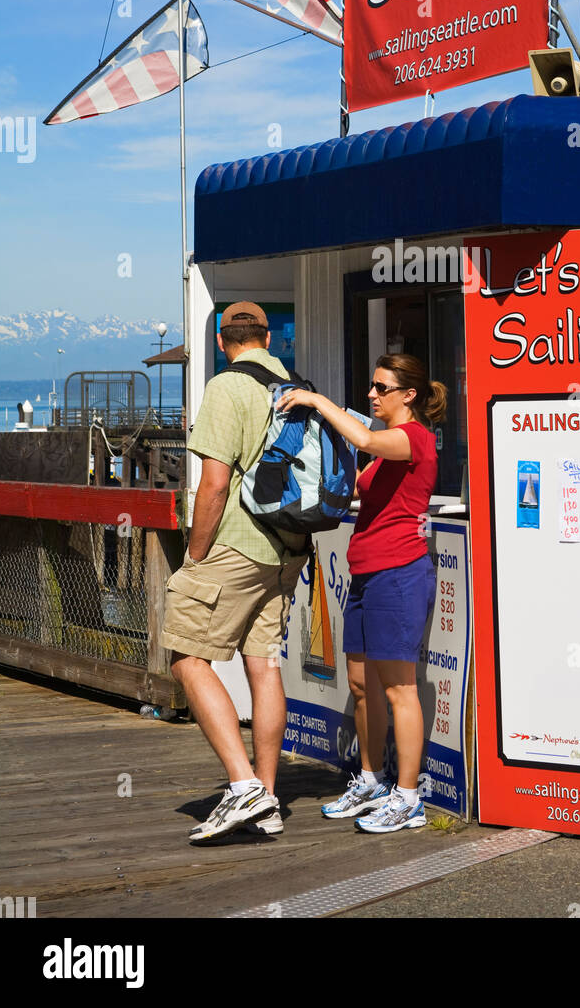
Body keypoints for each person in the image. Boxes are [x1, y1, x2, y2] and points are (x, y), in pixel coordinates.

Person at [161, 302, 311, 844]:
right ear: (268, 338)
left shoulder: (227, 386)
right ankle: (267, 799)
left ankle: (243, 783)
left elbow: (215, 484)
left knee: (186, 656)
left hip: (236, 547)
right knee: (263, 664)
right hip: (287, 549)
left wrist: (195, 557)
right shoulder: (292, 383)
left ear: (223, 342)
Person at [278, 353, 446, 833]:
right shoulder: (385, 450)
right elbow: (353, 479)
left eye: (381, 387)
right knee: (361, 686)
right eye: (371, 386)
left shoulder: (413, 438)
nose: (371, 394)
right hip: (366, 572)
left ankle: (408, 797)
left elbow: (368, 438)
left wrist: (316, 399)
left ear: (408, 395)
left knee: (399, 689)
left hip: (399, 573)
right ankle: (371, 779)